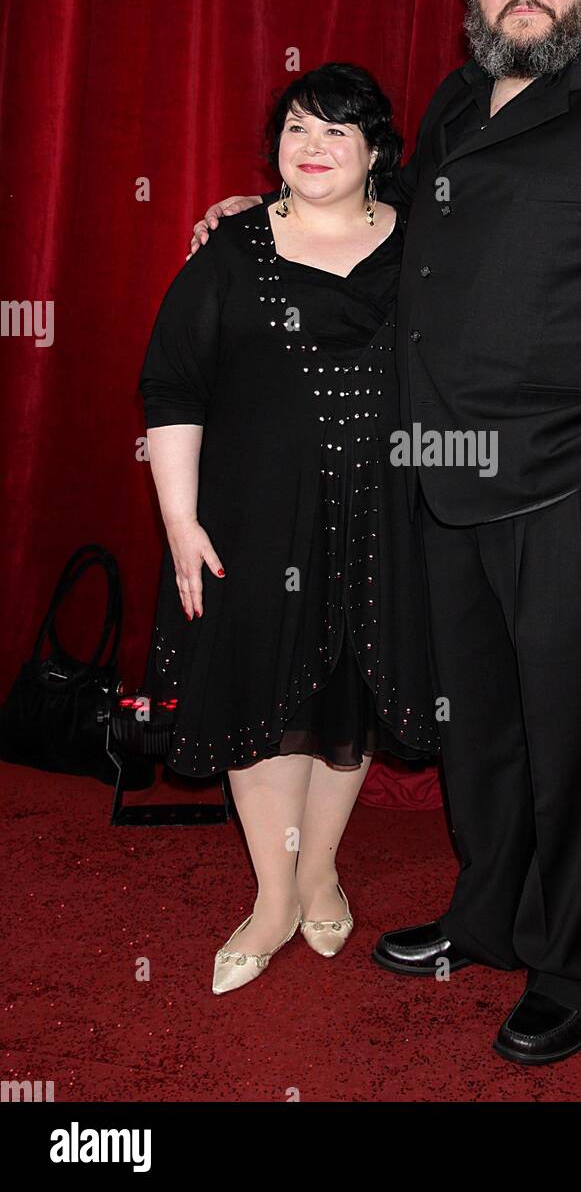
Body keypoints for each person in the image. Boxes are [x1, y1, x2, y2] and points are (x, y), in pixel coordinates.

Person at [188, 0, 581, 1060]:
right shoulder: (453, 100)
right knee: (481, 727)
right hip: (443, 474)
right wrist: (275, 210)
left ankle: (578, 963)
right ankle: (487, 914)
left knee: (579, 741)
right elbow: (401, 229)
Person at [139, 62, 438, 996]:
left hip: (388, 517)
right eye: (298, 130)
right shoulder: (230, 247)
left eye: (337, 132)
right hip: (254, 521)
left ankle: (318, 872)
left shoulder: (428, 241)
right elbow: (173, 387)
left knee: (347, 699)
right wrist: (181, 522)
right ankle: (272, 899)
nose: (313, 148)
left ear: (378, 152)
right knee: (259, 699)